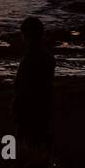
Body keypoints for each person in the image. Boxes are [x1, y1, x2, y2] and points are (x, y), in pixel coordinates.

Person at [13, 16, 55, 155]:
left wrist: (16, 109)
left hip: (28, 112)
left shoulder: (29, 59)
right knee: (42, 146)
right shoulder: (48, 58)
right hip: (44, 110)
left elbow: (21, 87)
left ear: (26, 36)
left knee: (19, 147)